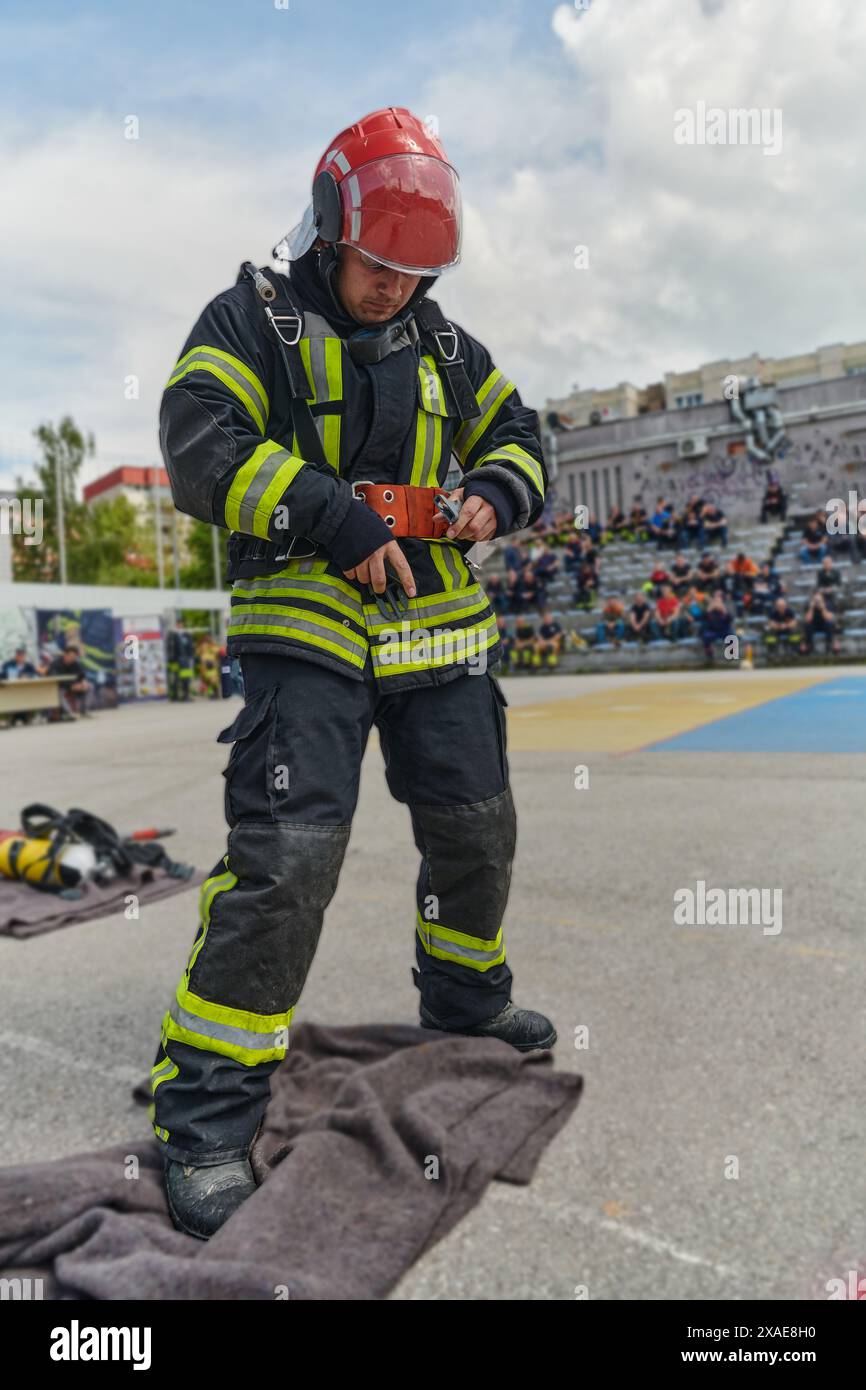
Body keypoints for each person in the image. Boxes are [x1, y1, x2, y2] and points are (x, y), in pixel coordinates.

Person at [149, 106, 555, 1239]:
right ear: (333, 228)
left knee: (476, 828)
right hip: (308, 628)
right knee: (287, 864)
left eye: (417, 273)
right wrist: (325, 511)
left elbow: (524, 434)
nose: (395, 290)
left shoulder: (445, 344)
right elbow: (197, 438)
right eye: (380, 267)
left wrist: (500, 491)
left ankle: (465, 1003)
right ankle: (209, 1119)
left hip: (440, 630)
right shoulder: (251, 318)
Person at [0, 645, 41, 727]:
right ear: (16, 655)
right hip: (10, 689)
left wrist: (28, 676)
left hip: (25, 690)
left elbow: (35, 674)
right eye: (19, 655)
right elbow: (2, 675)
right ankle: (11, 717)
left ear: (25, 656)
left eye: (22, 655)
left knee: (30, 696)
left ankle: (27, 716)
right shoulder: (8, 664)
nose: (20, 657)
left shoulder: (28, 665)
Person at [48, 644, 91, 719]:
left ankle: (83, 711)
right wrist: (71, 686)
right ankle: (69, 713)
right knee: (59, 693)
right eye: (71, 657)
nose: (73, 659)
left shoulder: (75, 664)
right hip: (60, 687)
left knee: (90, 687)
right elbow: (55, 679)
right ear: (65, 655)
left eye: (74, 657)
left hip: (73, 686)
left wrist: (83, 682)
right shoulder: (55, 664)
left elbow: (81, 675)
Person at [800, 590, 840, 656]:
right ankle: (809, 645)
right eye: (815, 600)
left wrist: (823, 608)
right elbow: (808, 619)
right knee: (807, 625)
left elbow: (828, 618)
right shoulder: (808, 605)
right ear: (813, 599)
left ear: (822, 599)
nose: (817, 602)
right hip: (813, 625)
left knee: (830, 624)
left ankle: (829, 644)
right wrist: (811, 608)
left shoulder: (828, 604)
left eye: (819, 600)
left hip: (824, 624)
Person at [166, 620, 195, 701]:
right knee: (174, 678)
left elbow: (190, 646)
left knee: (185, 678)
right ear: (176, 625)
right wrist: (171, 658)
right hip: (175, 660)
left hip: (185, 659)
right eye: (178, 624)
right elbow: (169, 647)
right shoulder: (172, 635)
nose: (180, 625)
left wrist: (190, 656)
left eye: (181, 624)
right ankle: (174, 696)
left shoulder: (187, 634)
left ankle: (185, 695)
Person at [700, 592, 732, 662]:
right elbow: (703, 618)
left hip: (723, 631)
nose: (717, 604)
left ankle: (730, 654)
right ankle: (709, 655)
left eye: (719, 602)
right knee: (706, 636)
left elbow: (729, 620)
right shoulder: (710, 611)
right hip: (713, 631)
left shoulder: (724, 611)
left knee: (731, 636)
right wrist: (709, 609)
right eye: (716, 602)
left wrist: (724, 610)